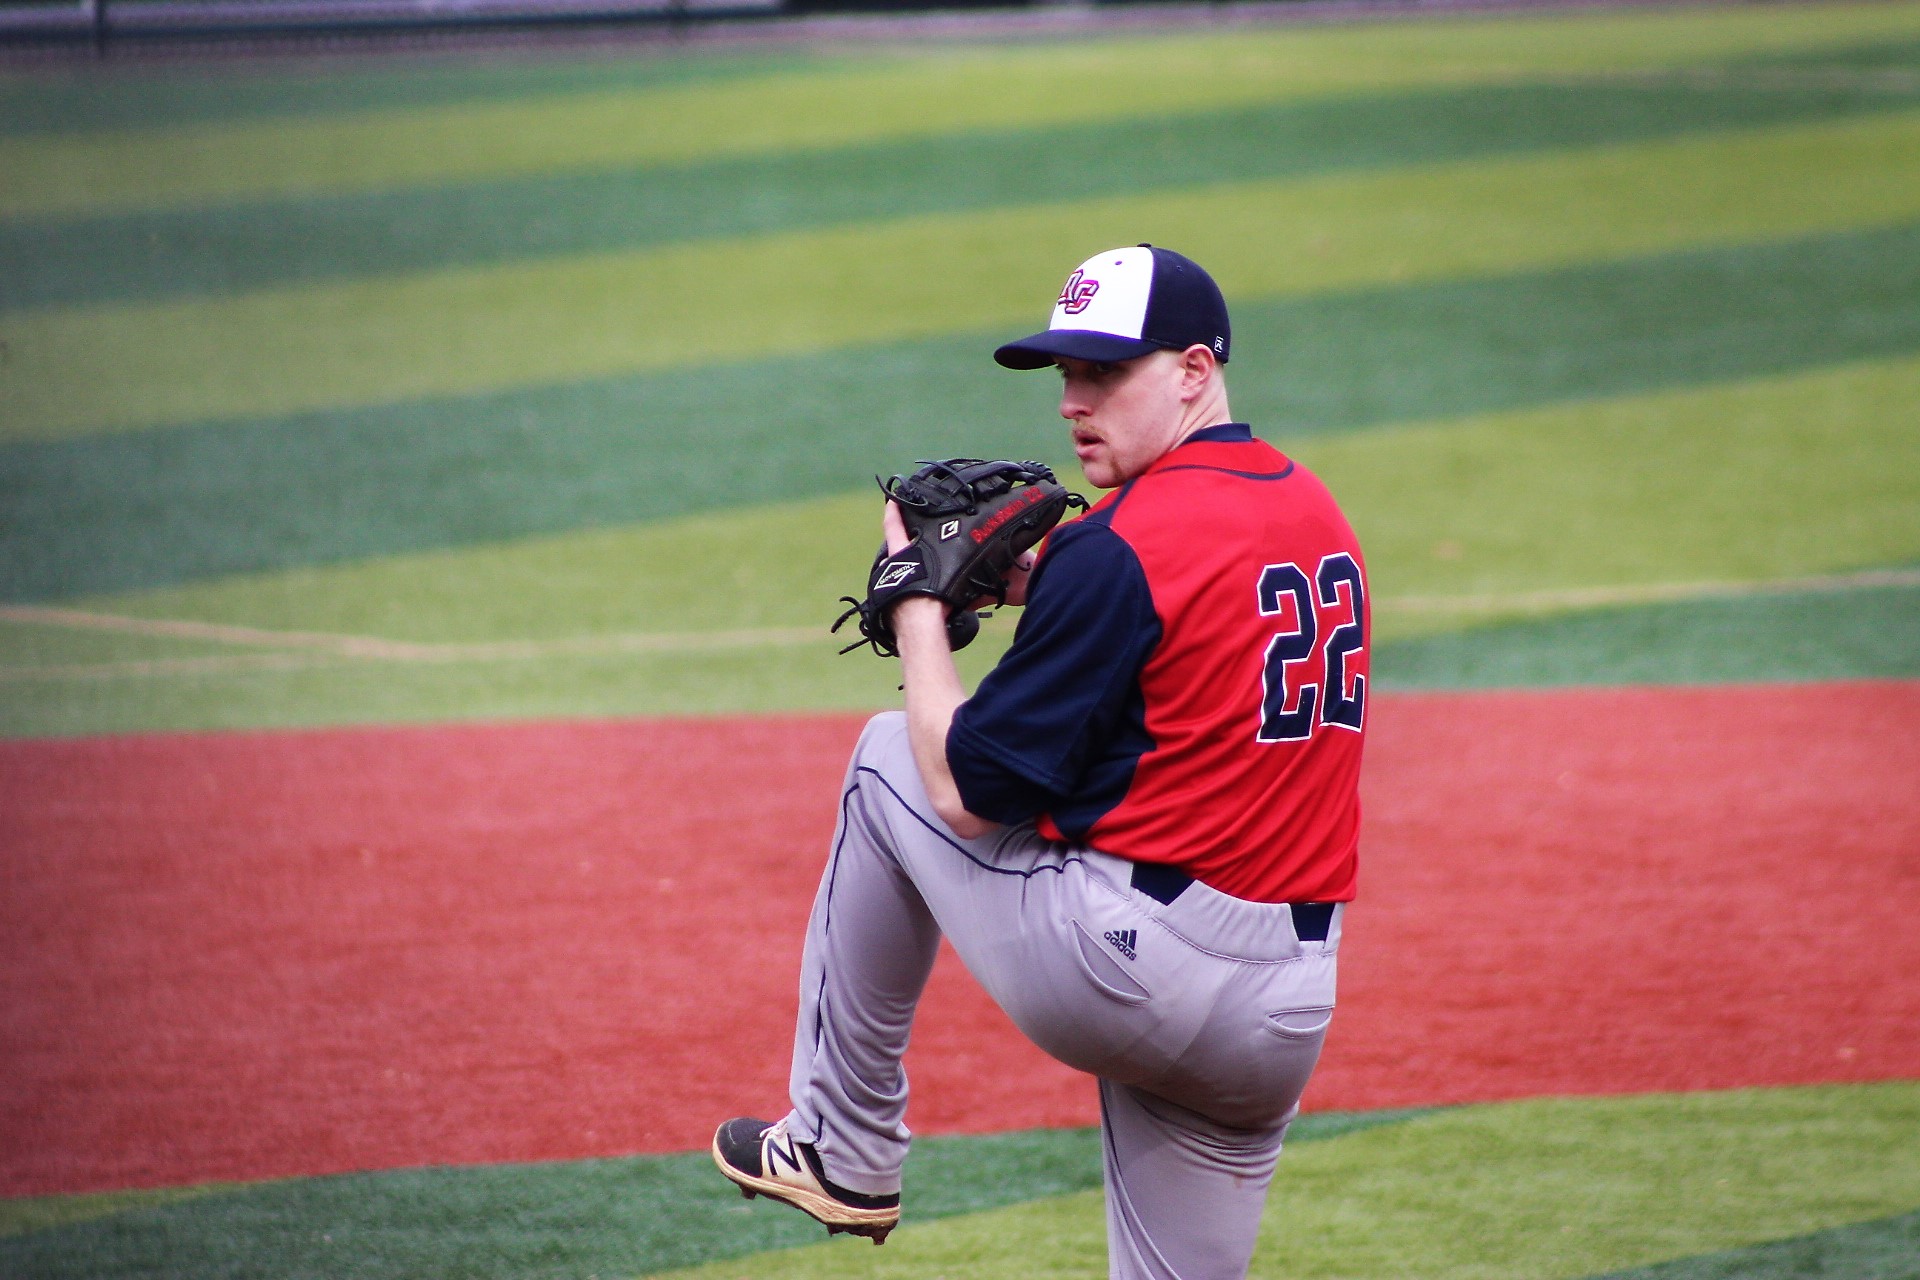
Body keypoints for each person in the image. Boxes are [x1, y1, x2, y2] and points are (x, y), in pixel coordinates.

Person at [712, 245, 1370, 1280]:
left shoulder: (1116, 547)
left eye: (1104, 373)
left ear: (1195, 371)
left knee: (892, 758)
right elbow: (1183, 636)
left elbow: (967, 794)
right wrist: (1039, 579)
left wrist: (917, 601)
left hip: (1135, 969)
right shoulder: (1313, 510)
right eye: (1066, 372)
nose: (1073, 401)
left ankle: (844, 1144)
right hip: (1287, 1008)